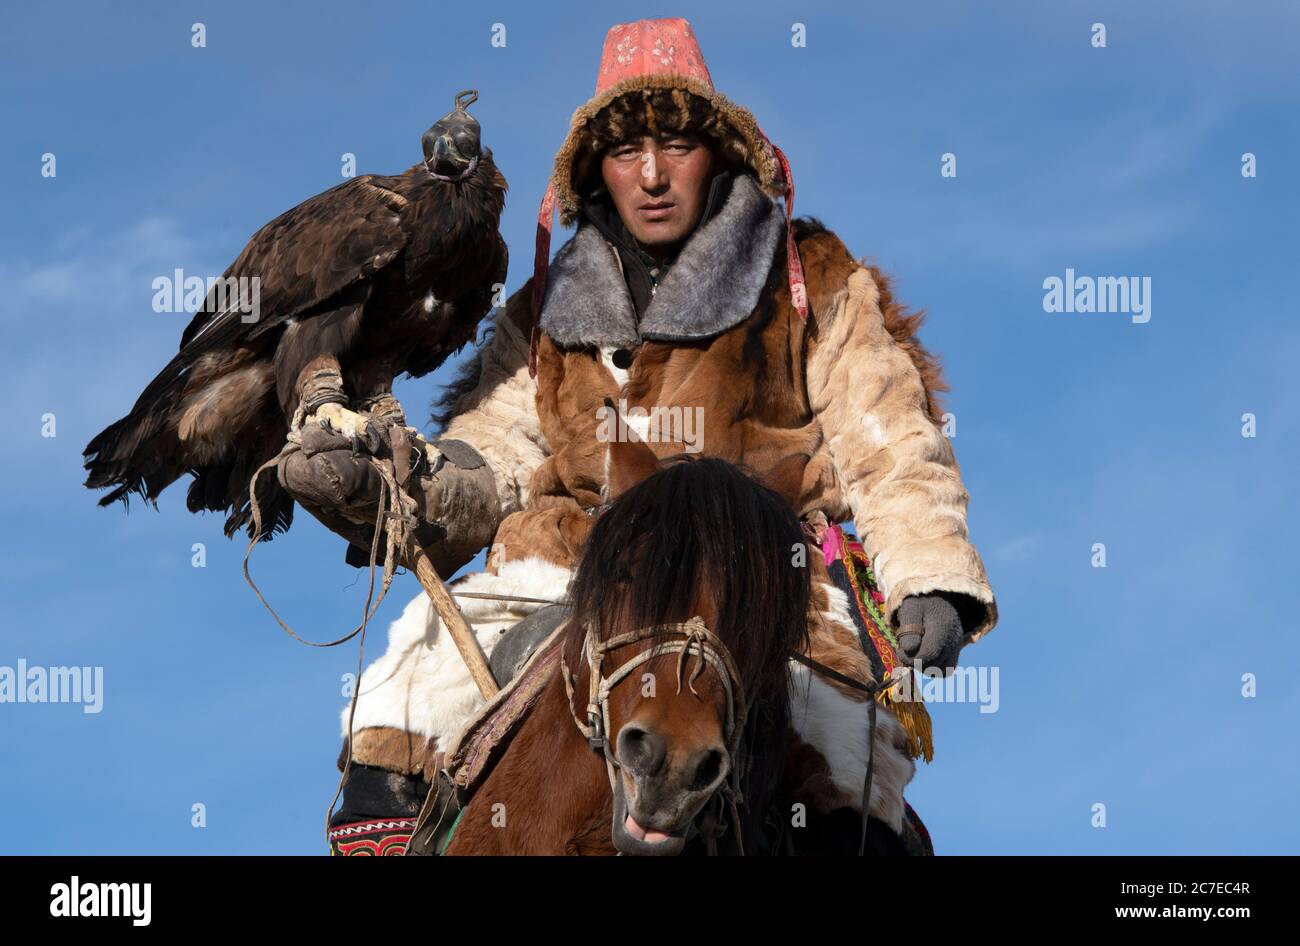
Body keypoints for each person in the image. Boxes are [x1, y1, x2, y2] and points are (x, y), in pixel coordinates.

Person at [310, 17, 998, 856]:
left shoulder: (810, 278)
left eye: (675, 145)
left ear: (718, 152)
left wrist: (930, 576)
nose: (651, 174)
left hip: (764, 580)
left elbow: (887, 435)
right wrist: (398, 486)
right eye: (626, 150)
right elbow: (497, 450)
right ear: (597, 169)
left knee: (854, 778)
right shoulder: (545, 312)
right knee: (401, 701)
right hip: (568, 572)